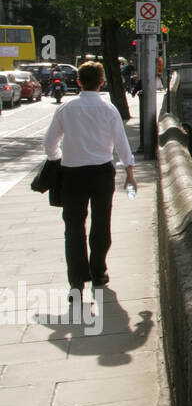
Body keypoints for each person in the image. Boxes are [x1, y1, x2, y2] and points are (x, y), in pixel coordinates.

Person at [43, 61, 136, 306]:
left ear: (79, 81)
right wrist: (129, 170)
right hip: (102, 173)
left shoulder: (66, 110)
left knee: (73, 227)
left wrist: (56, 159)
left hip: (72, 173)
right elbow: (121, 143)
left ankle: (76, 281)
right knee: (101, 222)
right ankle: (98, 272)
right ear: (102, 82)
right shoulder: (109, 110)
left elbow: (50, 143)